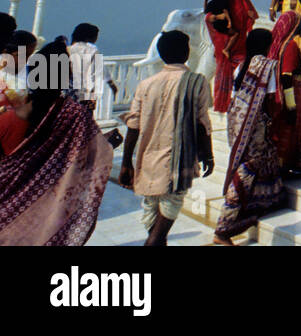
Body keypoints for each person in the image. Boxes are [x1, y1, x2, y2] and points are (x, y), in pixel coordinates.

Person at [0, 41, 111, 245]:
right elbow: (95, 154)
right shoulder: (75, 114)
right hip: (47, 205)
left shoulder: (11, 108)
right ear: (64, 76)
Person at [119, 30, 214, 246]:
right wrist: (207, 153)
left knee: (153, 215)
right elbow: (202, 122)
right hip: (177, 161)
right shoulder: (196, 81)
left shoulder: (146, 84)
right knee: (160, 228)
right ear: (187, 52)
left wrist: (126, 162)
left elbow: (133, 126)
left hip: (149, 158)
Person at [213, 29, 284, 244]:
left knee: (255, 159)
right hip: (256, 121)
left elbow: (236, 94)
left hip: (237, 118)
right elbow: (272, 98)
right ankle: (224, 225)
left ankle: (258, 202)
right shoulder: (267, 66)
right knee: (249, 166)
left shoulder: (242, 65)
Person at [267, 11, 301, 178]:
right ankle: (296, 167)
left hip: (282, 94)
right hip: (292, 94)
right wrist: (291, 105)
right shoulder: (291, 45)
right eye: (300, 23)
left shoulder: (277, 44)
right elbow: (287, 77)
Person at [67, 22, 113, 114]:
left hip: (69, 90)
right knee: (87, 115)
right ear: (89, 37)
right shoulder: (91, 49)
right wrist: (111, 84)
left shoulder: (68, 49)